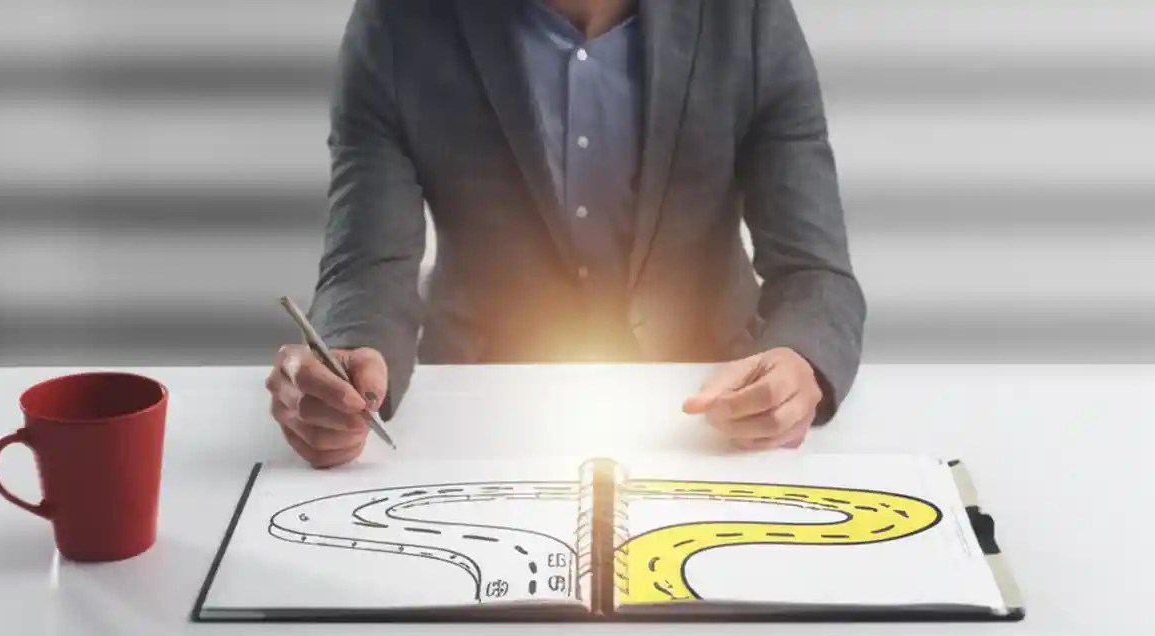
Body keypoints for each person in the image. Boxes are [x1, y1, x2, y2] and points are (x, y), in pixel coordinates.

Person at [266, 0, 865, 468]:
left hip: (710, 414)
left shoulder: (747, 14)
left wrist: (799, 362)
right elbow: (366, 264)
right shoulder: (400, 20)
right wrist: (345, 363)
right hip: (480, 414)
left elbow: (814, 269)